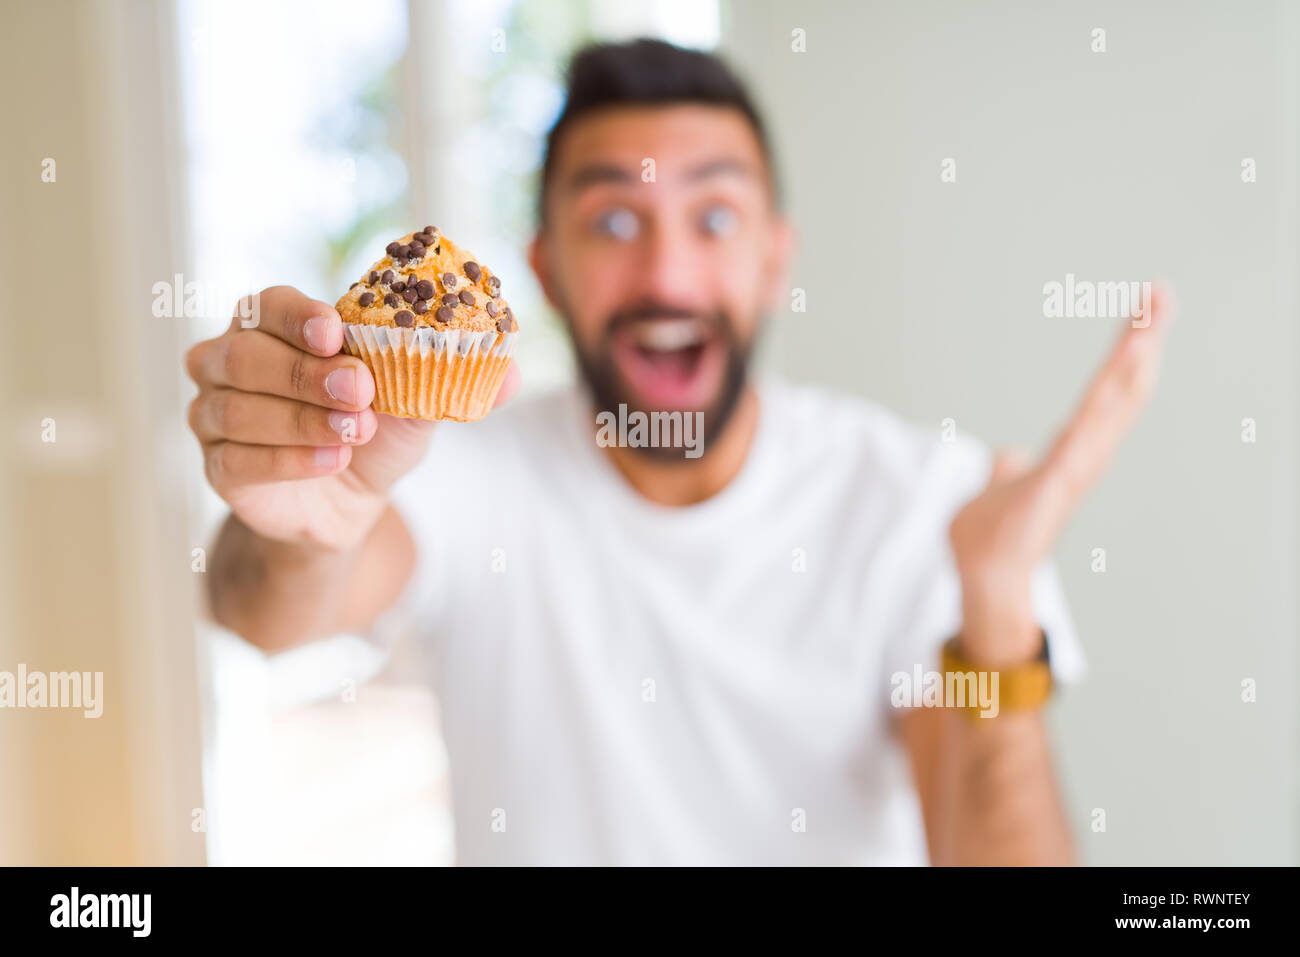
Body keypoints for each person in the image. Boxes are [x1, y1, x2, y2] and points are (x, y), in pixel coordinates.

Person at [184, 39, 1172, 865]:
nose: (667, 274)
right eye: (612, 221)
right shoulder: (467, 467)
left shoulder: (919, 502)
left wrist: (995, 605)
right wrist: (310, 521)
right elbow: (262, 611)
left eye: (713, 217)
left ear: (774, 257)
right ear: (547, 270)